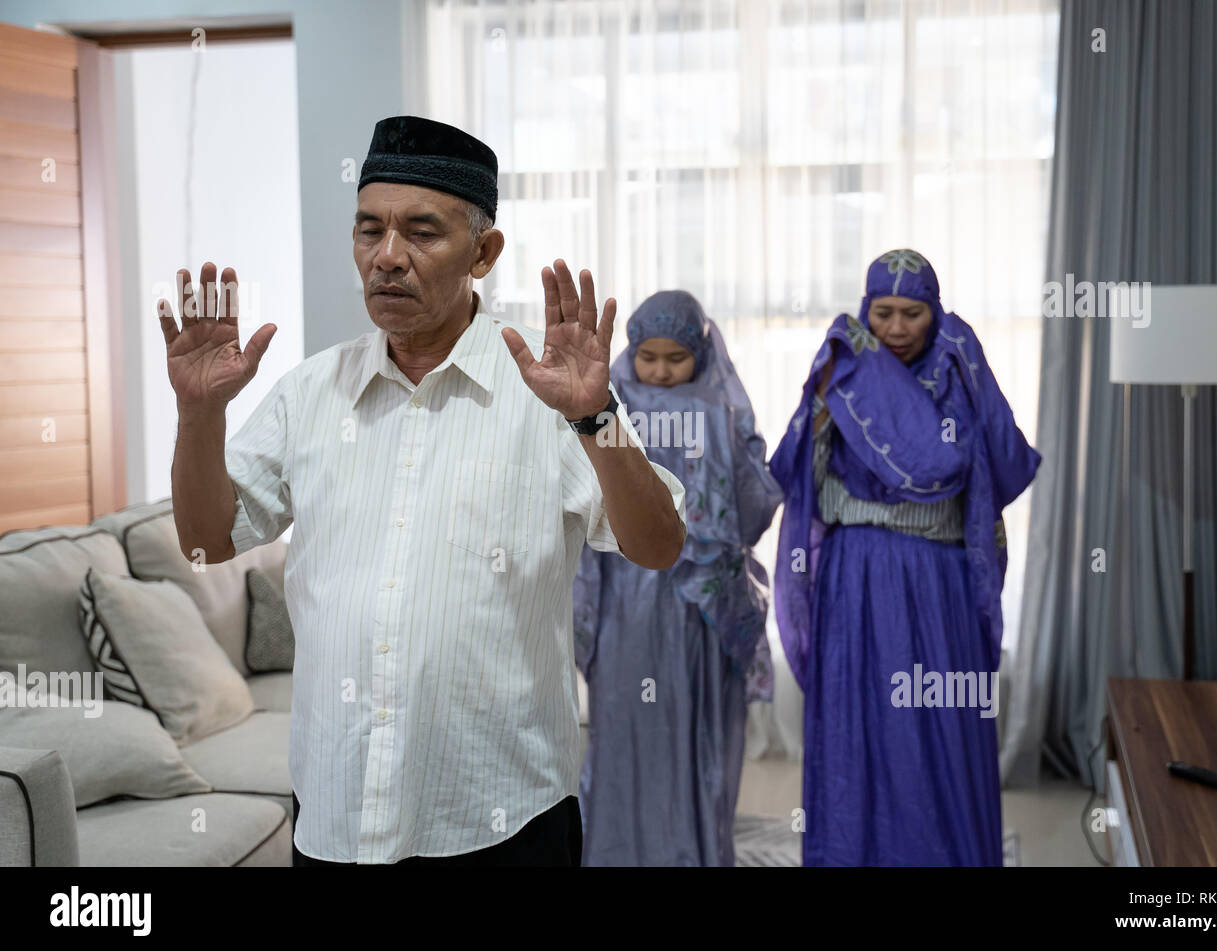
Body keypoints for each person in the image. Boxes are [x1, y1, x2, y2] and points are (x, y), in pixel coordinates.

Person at [156, 115, 686, 866]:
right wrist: (199, 412)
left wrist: (595, 419)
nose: (387, 258)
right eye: (369, 230)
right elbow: (208, 541)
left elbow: (659, 545)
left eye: (422, 232)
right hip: (339, 807)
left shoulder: (548, 393)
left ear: (484, 251)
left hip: (503, 816)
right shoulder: (312, 391)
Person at [770, 248, 1041, 866]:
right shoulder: (844, 368)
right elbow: (795, 474)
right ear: (867, 310)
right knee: (857, 729)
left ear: (934, 311)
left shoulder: (958, 366)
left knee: (936, 734)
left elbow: (1002, 463)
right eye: (884, 312)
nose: (896, 328)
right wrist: (818, 405)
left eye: (912, 313)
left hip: (936, 578)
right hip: (853, 575)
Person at [572, 290, 782, 866]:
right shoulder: (607, 408)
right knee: (624, 730)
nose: (661, 370)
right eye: (649, 357)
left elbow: (755, 501)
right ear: (631, 352)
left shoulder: (721, 408)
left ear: (701, 353)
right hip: (624, 597)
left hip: (698, 609)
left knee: (696, 733)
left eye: (676, 358)